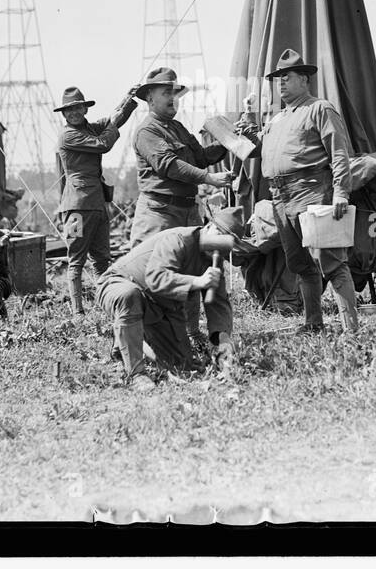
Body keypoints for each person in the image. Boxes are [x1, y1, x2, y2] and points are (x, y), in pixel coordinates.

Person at [236, 48, 360, 333]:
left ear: (304, 80)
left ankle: (351, 331)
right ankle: (313, 323)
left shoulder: (319, 108)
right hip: (280, 196)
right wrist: (248, 129)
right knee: (300, 264)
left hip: (311, 190)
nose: (280, 82)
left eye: (286, 76)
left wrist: (341, 191)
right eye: (277, 78)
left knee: (331, 260)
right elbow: (262, 148)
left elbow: (338, 152)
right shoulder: (279, 118)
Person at [97, 206, 248, 391]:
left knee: (182, 367)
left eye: (226, 241)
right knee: (129, 296)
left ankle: (128, 340)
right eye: (219, 233)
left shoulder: (213, 261)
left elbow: (218, 304)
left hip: (162, 306)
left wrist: (223, 340)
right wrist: (198, 281)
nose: (219, 244)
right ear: (208, 226)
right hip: (120, 284)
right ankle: (136, 374)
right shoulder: (178, 240)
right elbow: (155, 278)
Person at [131, 67, 232, 333]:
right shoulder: (147, 131)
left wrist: (230, 141)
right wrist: (209, 179)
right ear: (150, 98)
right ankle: (154, 337)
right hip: (159, 214)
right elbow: (169, 165)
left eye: (175, 93)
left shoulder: (177, 127)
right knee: (158, 276)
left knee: (194, 270)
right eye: (166, 93)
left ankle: (191, 333)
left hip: (187, 212)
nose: (172, 99)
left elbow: (200, 156)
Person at [54, 84, 139, 316]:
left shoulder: (89, 127)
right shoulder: (68, 134)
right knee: (77, 260)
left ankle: (107, 305)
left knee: (102, 259)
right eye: (68, 110)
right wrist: (112, 124)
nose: (72, 112)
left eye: (77, 108)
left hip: (97, 204)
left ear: (84, 109)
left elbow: (113, 120)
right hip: (76, 207)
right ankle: (77, 312)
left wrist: (128, 99)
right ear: (63, 114)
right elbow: (104, 143)